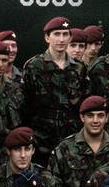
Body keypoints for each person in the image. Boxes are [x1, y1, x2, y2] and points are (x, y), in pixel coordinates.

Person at [22, 16, 87, 163]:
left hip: (70, 136)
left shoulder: (79, 67)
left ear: (70, 37)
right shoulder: (34, 66)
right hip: (41, 137)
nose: (61, 39)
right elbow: (25, 105)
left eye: (65, 34)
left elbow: (83, 102)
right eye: (57, 34)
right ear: (47, 37)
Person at [49, 95, 109, 187]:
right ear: (82, 117)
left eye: (100, 115)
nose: (95, 120)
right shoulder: (65, 147)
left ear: (107, 118)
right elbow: (53, 179)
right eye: (90, 115)